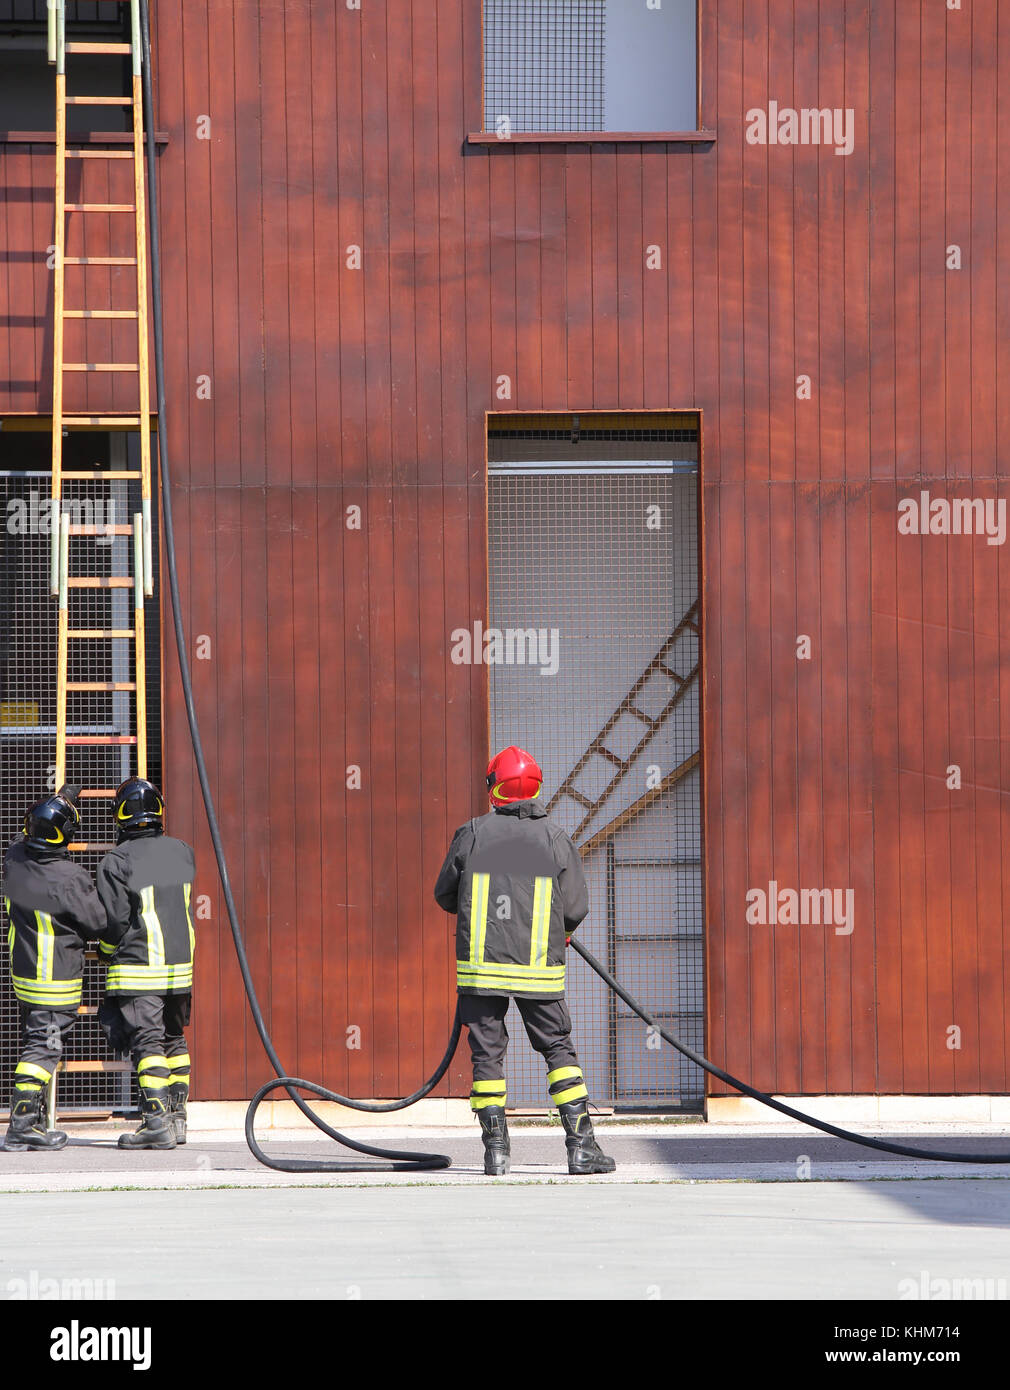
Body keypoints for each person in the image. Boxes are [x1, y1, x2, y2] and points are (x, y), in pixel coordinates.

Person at [434, 746, 615, 1177]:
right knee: (556, 1047)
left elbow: (444, 895)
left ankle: (495, 1154)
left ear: (494, 787)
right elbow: (574, 908)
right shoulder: (553, 837)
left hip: (481, 969)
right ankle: (581, 1146)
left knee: (487, 1057)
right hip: (539, 970)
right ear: (534, 788)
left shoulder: (472, 833)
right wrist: (561, 932)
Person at [2, 788, 107, 1152]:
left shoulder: (14, 859)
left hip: (24, 977)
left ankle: (30, 1119)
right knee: (43, 1050)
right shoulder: (70, 877)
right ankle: (22, 1128)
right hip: (55, 983)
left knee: (33, 1042)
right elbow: (97, 923)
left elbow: (22, 839)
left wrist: (57, 801)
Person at [96, 779, 195, 1150]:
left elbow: (117, 921)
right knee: (174, 1039)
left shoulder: (116, 861)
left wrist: (105, 950)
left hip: (139, 970)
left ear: (121, 815)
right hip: (179, 970)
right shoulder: (183, 852)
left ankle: (154, 1123)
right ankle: (177, 1120)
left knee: (147, 1042)